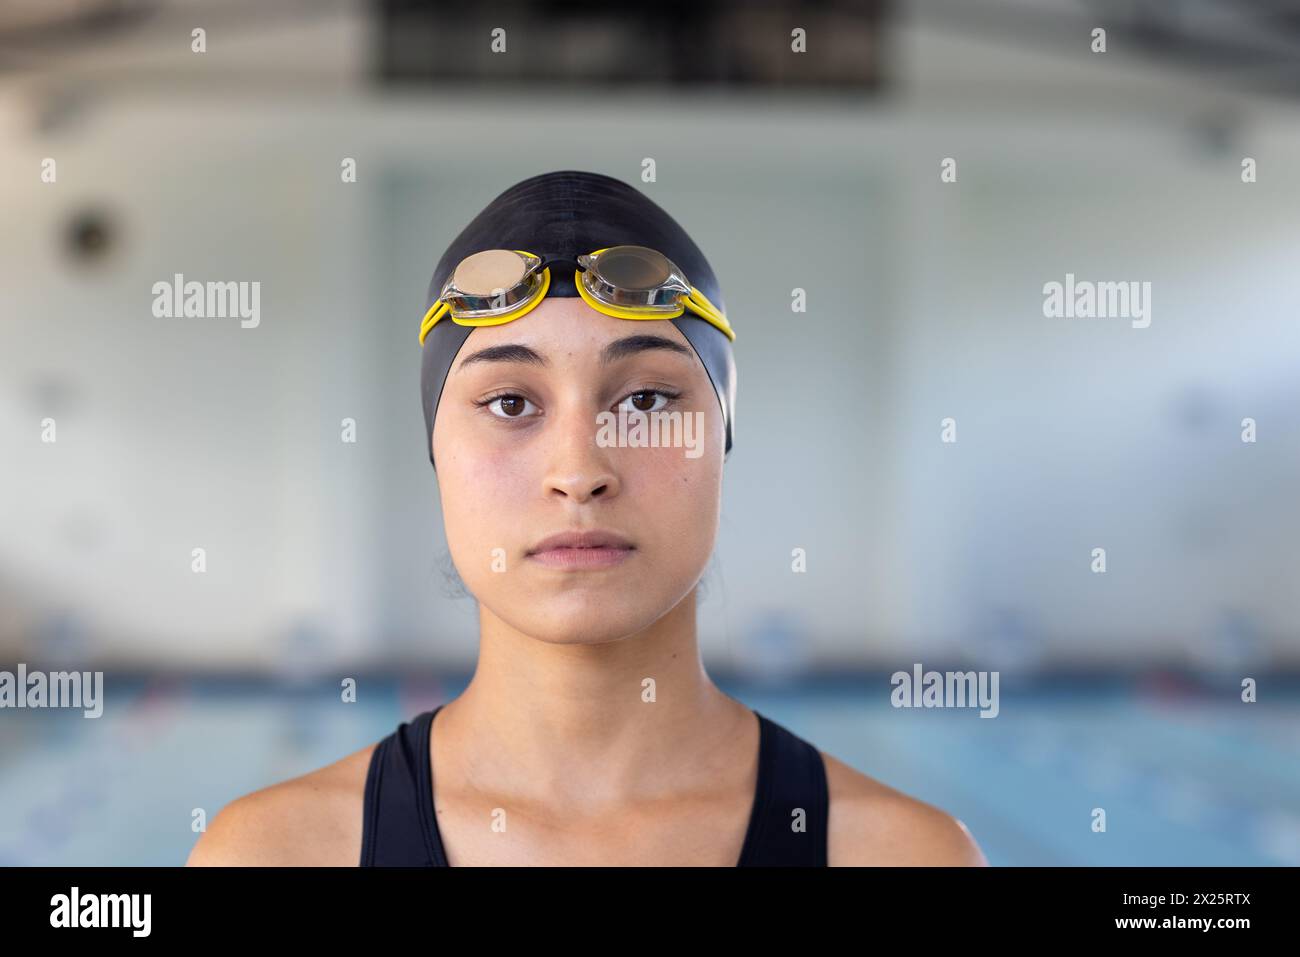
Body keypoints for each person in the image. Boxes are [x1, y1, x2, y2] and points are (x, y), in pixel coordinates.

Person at [187, 170, 987, 866]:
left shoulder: (904, 855)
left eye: (645, 399)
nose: (580, 472)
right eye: (509, 402)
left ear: (721, 437)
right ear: (435, 445)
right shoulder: (269, 854)